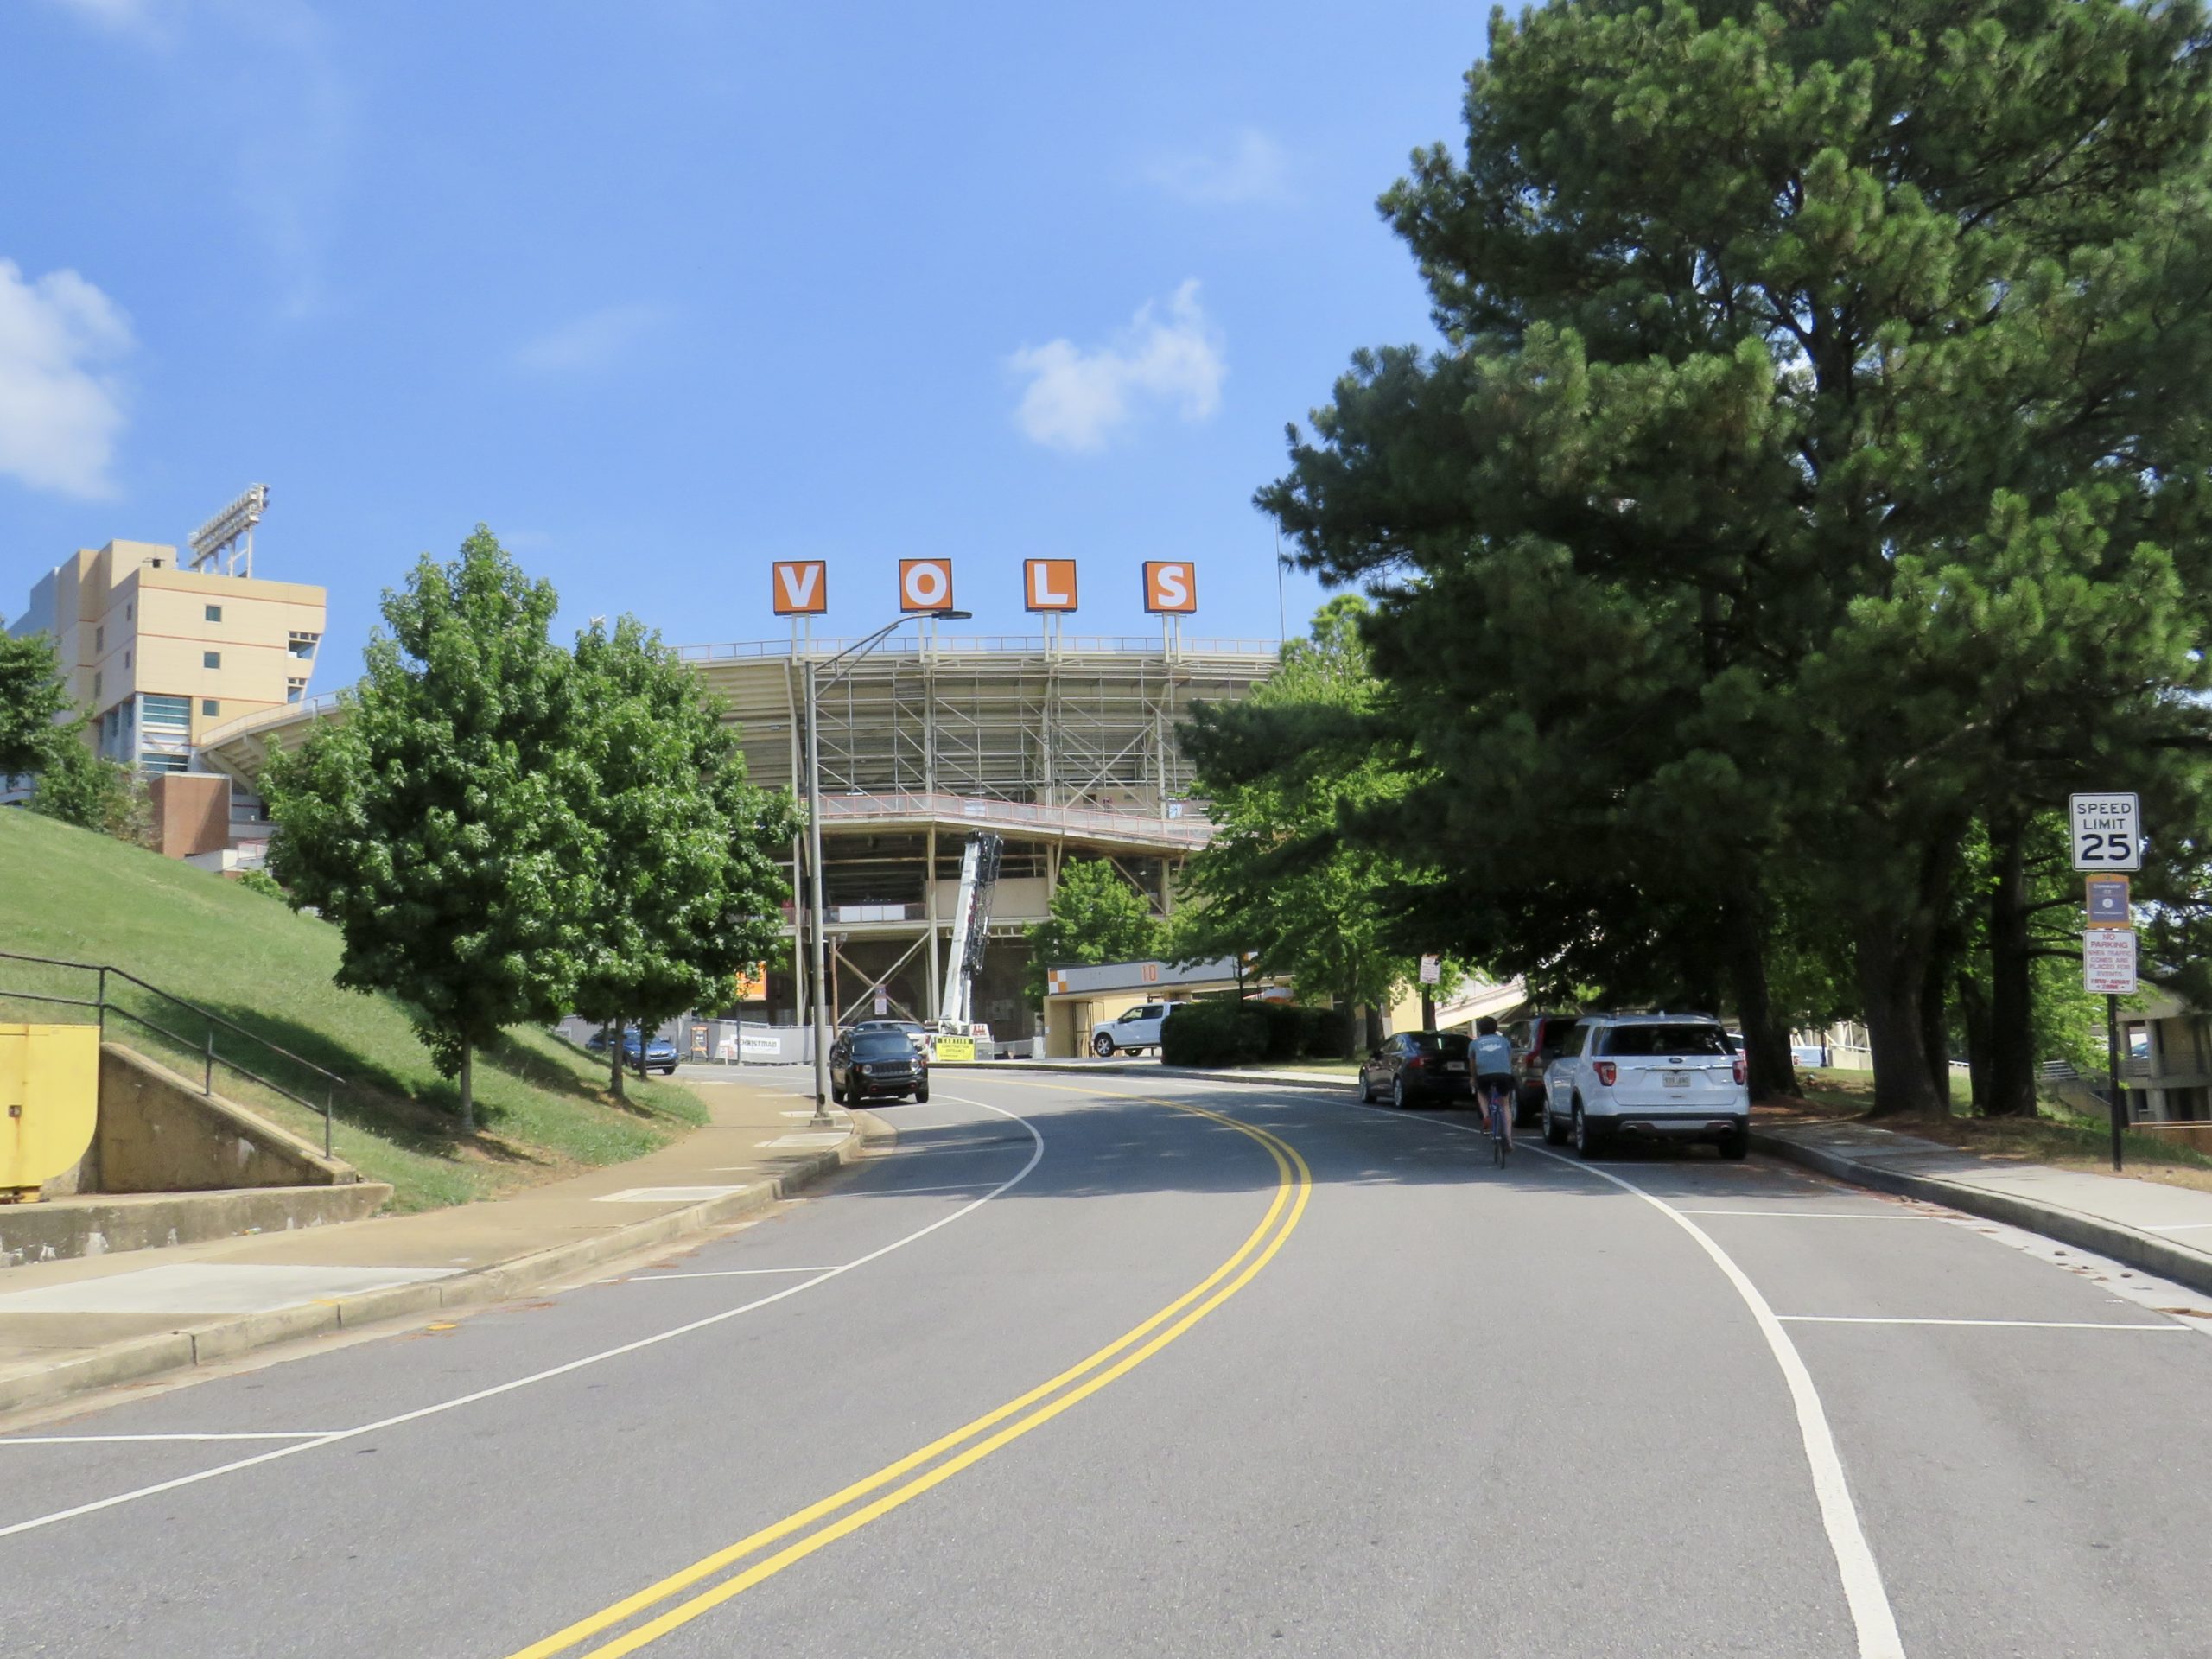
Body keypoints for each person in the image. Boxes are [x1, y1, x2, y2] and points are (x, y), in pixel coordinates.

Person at [1471, 1015, 1516, 1150]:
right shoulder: (1504, 1041)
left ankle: (1486, 1116)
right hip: (1503, 1075)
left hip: (1484, 1076)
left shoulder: (1474, 1043)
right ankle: (1508, 1138)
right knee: (1505, 1103)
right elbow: (1509, 1059)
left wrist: (1473, 1078)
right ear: (1496, 1028)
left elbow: (1473, 1064)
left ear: (1480, 1029)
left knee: (1481, 1092)